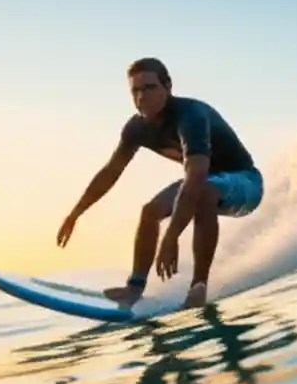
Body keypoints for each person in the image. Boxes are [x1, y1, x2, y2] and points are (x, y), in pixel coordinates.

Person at [56, 57, 264, 309]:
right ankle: (135, 287)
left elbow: (197, 177)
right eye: (136, 90)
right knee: (150, 210)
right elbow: (111, 172)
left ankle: (199, 287)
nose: (142, 96)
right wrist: (75, 213)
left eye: (149, 88)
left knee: (204, 191)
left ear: (168, 86)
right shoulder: (136, 128)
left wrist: (171, 235)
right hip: (204, 181)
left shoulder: (191, 116)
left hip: (245, 182)